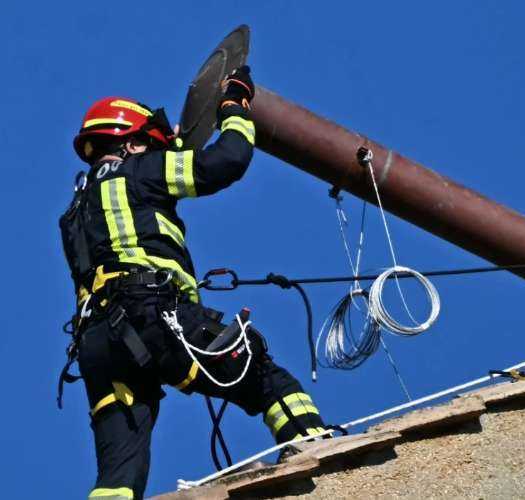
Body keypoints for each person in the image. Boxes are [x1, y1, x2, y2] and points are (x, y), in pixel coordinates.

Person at [59, 67, 327, 500]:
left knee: (117, 476)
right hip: (150, 314)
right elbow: (227, 161)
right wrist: (234, 107)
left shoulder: (74, 212)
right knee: (261, 374)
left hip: (98, 345)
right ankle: (322, 453)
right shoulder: (141, 171)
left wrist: (173, 146)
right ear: (130, 143)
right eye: (151, 143)